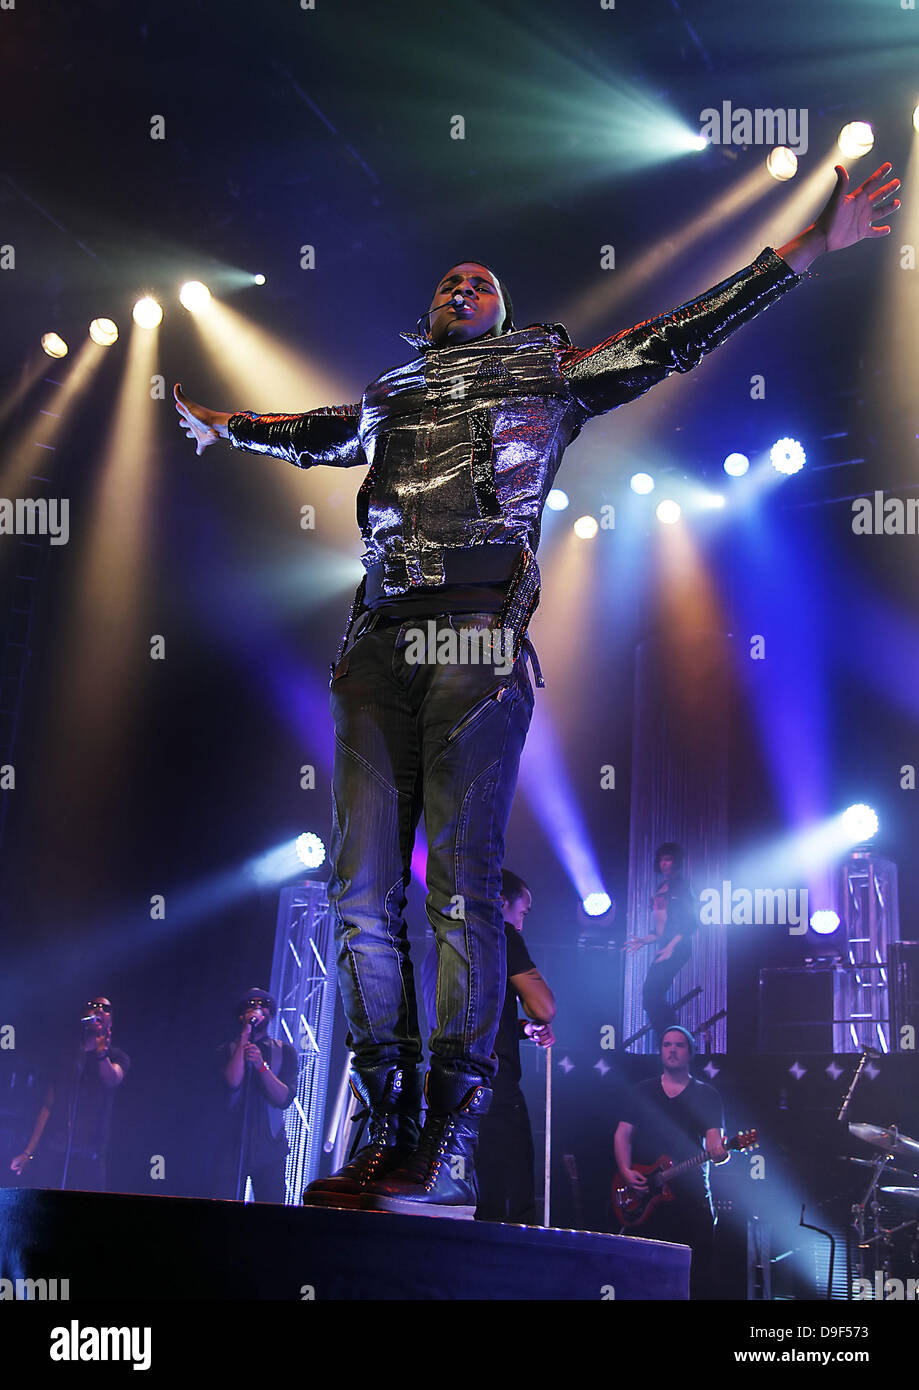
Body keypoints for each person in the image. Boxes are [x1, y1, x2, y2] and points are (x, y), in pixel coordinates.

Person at [174, 162, 900, 1217]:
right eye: (448, 282)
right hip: (378, 640)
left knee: (458, 889)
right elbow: (317, 428)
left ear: (508, 312)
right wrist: (230, 424)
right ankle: (383, 1117)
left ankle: (447, 1122)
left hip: (476, 637)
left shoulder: (544, 378)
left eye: (481, 281)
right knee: (357, 891)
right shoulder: (396, 393)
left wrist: (804, 250)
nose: (461, 287)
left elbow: (673, 335)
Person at [420, 868, 555, 1223]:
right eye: (521, 913)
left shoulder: (440, 939)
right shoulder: (500, 934)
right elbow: (545, 1006)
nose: (521, 924)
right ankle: (510, 1273)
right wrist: (534, 1014)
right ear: (500, 902)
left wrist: (522, 1029)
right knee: (511, 1199)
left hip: (445, 1087)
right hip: (493, 1089)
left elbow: (466, 1015)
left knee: (458, 1195)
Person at [614, 1026, 727, 1299]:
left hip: (691, 1198)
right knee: (644, 1273)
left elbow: (715, 1141)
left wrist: (721, 1152)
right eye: (666, 1044)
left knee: (695, 1274)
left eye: (678, 1045)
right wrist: (626, 1172)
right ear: (660, 1050)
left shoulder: (707, 1095)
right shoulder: (642, 1090)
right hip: (648, 1195)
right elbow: (622, 1134)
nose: (672, 1049)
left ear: (689, 1052)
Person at [10, 997, 129, 1192]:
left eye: (105, 1008)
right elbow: (48, 1105)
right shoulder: (66, 1056)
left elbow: (112, 1078)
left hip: (90, 1158)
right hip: (55, 1152)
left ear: (111, 1021)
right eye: (93, 1006)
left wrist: (101, 1054)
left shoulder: (116, 1056)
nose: (98, 1010)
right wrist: (28, 1153)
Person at [212, 988, 298, 1203]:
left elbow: (283, 1098)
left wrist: (261, 1066)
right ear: (241, 1015)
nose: (257, 1008)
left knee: (270, 1214)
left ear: (271, 1013)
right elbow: (232, 1082)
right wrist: (244, 1038)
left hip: (270, 1148)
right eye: (251, 1004)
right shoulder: (225, 1050)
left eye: (263, 1004)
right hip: (231, 1146)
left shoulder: (285, 1051)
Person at [623, 842, 698, 1046]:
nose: (665, 864)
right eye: (662, 860)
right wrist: (644, 940)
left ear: (676, 861)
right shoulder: (661, 887)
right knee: (651, 995)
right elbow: (660, 929)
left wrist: (672, 946)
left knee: (651, 994)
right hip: (666, 944)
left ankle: (673, 1040)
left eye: (669, 859)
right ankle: (671, 1040)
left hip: (677, 945)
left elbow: (691, 921)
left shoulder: (681, 885)